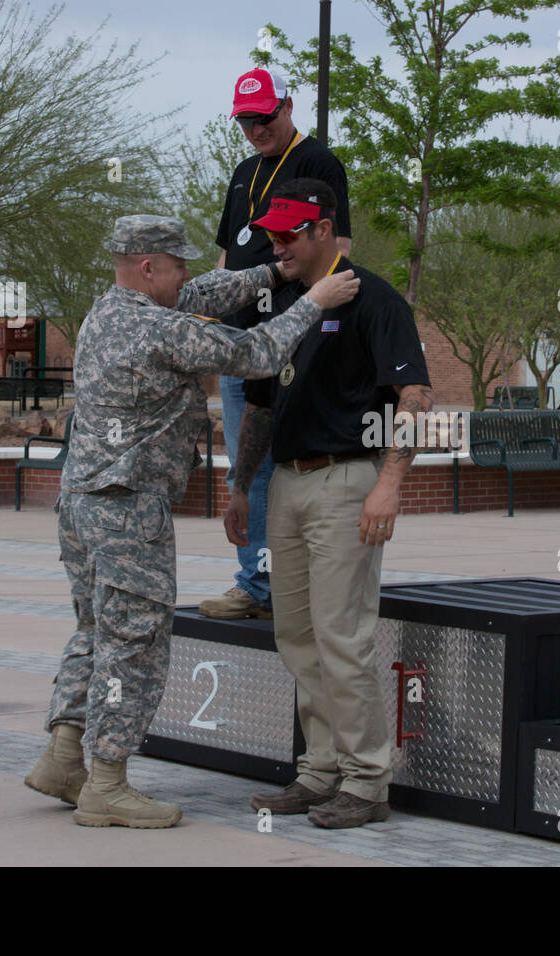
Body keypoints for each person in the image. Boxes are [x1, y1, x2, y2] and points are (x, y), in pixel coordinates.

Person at [24, 214, 359, 827]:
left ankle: (64, 756)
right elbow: (255, 352)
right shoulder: (157, 330)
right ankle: (107, 783)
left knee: (95, 633)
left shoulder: (109, 310)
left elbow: (198, 296)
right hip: (128, 509)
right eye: (177, 265)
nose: (186, 276)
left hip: (82, 502)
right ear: (149, 266)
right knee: (135, 646)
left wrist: (268, 271)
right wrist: (314, 297)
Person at [224, 179, 432, 828]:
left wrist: (390, 483)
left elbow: (417, 399)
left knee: (343, 636)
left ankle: (368, 782)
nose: (276, 243)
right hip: (284, 482)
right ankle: (319, 772)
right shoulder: (280, 303)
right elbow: (258, 405)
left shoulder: (373, 298)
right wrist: (239, 485)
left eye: (289, 232)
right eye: (270, 233)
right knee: (297, 635)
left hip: (347, 480)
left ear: (323, 230)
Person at [199, 67, 353, 622]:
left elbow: (337, 249)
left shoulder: (317, 163)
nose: (255, 128)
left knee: (292, 463)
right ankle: (256, 582)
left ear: (288, 105)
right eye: (245, 119)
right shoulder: (244, 171)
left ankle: (293, 585)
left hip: (288, 338)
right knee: (245, 467)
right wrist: (209, 323)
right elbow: (227, 258)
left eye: (264, 116)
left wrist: (307, 319)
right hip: (241, 341)